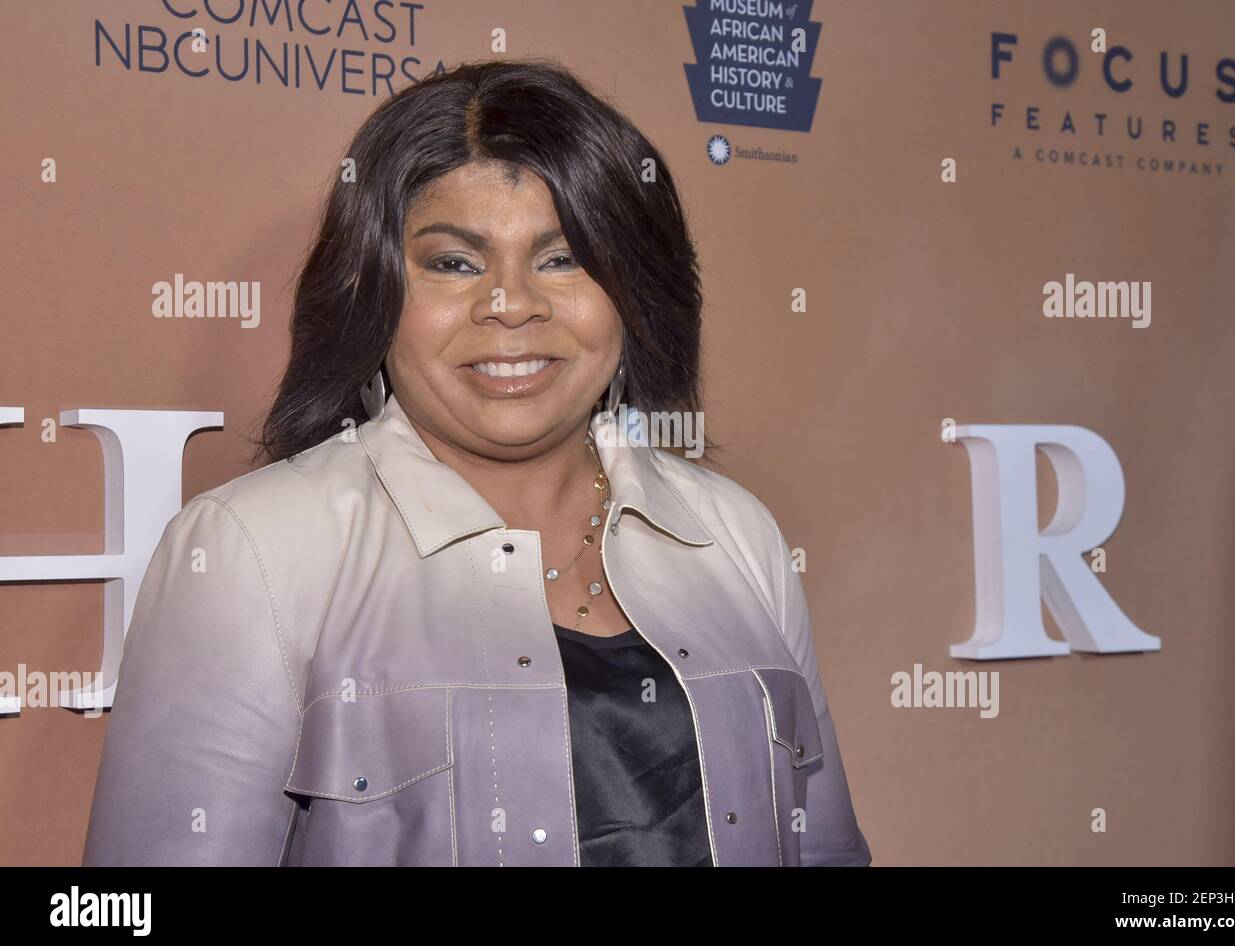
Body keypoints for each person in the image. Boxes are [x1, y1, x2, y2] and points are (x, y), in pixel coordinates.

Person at [82, 58, 871, 867]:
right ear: (374, 290)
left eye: (563, 258)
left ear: (631, 293)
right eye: (454, 263)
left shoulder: (736, 535)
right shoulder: (251, 555)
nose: (511, 304)